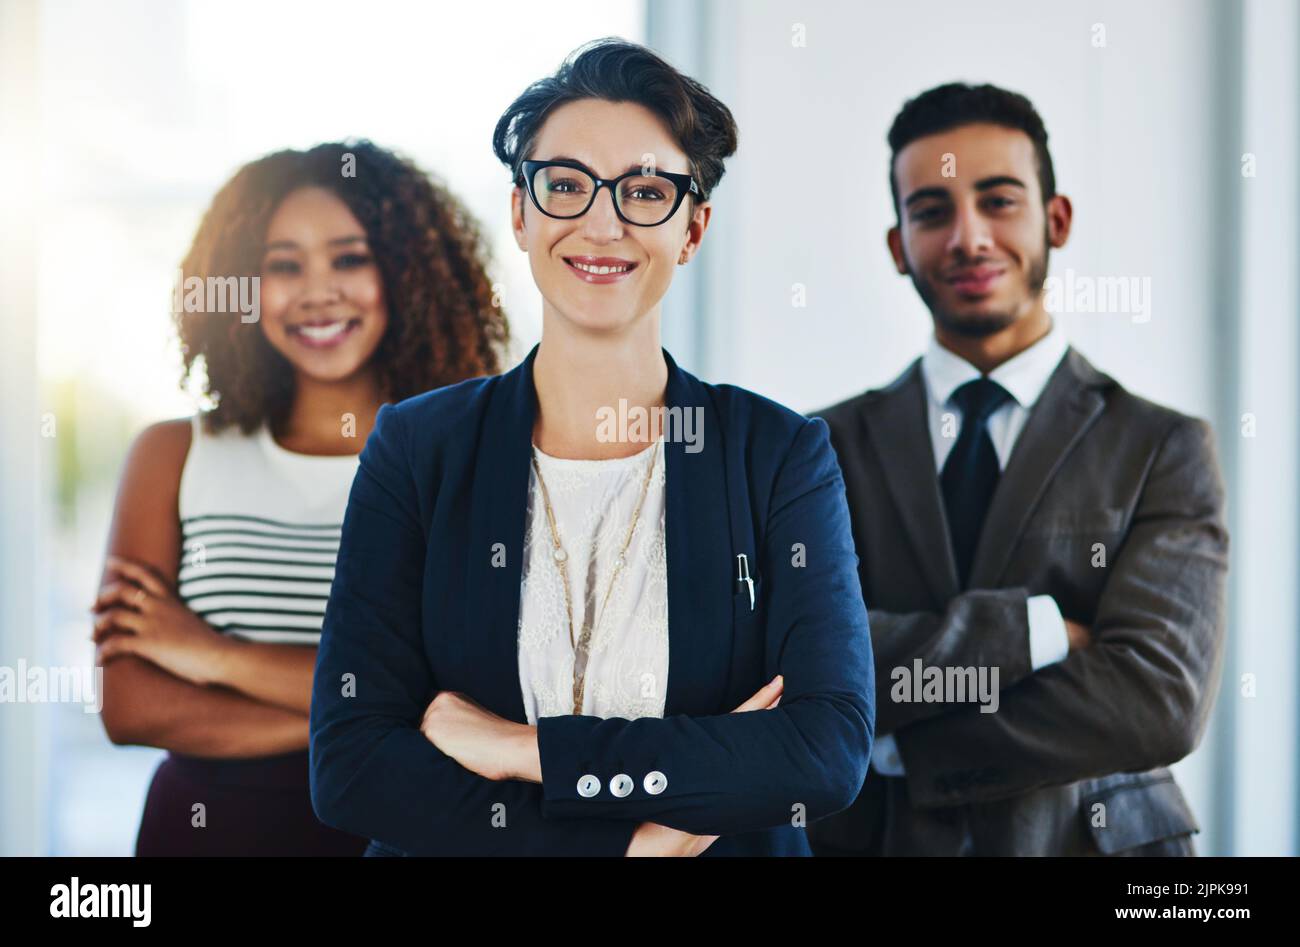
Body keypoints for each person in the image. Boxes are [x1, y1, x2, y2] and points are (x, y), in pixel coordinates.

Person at [309, 38, 875, 857]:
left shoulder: (779, 455)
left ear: (693, 227)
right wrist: (629, 849)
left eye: (645, 190)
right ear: (521, 213)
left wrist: (526, 751)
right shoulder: (417, 448)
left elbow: (824, 750)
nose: (601, 222)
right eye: (567, 185)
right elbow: (353, 762)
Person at [807, 83, 1228, 856]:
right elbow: (810, 666)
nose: (968, 237)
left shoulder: (1161, 446)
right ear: (898, 244)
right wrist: (1035, 631)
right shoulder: (818, 446)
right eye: (932, 210)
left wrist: (908, 747)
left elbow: (1155, 700)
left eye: (998, 200)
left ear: (1055, 219)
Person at [93, 140, 509, 855]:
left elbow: (484, 692)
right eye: (282, 265)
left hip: (402, 835)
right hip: (204, 831)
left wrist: (209, 654)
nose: (317, 290)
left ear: (408, 276)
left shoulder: (463, 457)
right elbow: (129, 706)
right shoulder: (171, 454)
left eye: (350, 258)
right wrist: (377, 715)